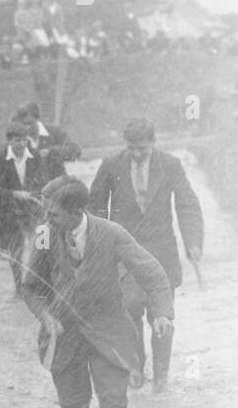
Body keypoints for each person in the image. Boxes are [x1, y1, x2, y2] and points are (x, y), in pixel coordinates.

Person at [22, 176, 173, 408]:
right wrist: (46, 317)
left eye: (55, 214)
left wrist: (163, 313)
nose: (47, 219)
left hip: (109, 335)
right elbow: (30, 287)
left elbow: (151, 272)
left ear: (77, 210)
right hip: (65, 337)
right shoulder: (45, 236)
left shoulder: (112, 233)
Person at [87, 118, 203, 392]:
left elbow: (187, 203)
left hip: (162, 253)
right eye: (131, 148)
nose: (137, 154)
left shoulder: (170, 165)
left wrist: (193, 242)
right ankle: (136, 366)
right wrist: (98, 248)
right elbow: (95, 209)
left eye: (142, 148)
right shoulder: (111, 166)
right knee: (128, 310)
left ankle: (161, 377)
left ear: (153, 142)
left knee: (162, 314)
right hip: (125, 255)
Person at [0, 121, 47, 295]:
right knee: (16, 251)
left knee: (41, 248)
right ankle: (18, 287)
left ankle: (39, 285)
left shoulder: (35, 156)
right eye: (16, 140)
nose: (21, 144)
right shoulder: (0, 158)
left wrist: (34, 193)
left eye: (23, 140)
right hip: (11, 212)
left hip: (34, 210)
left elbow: (44, 181)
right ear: (9, 141)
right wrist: (15, 194)